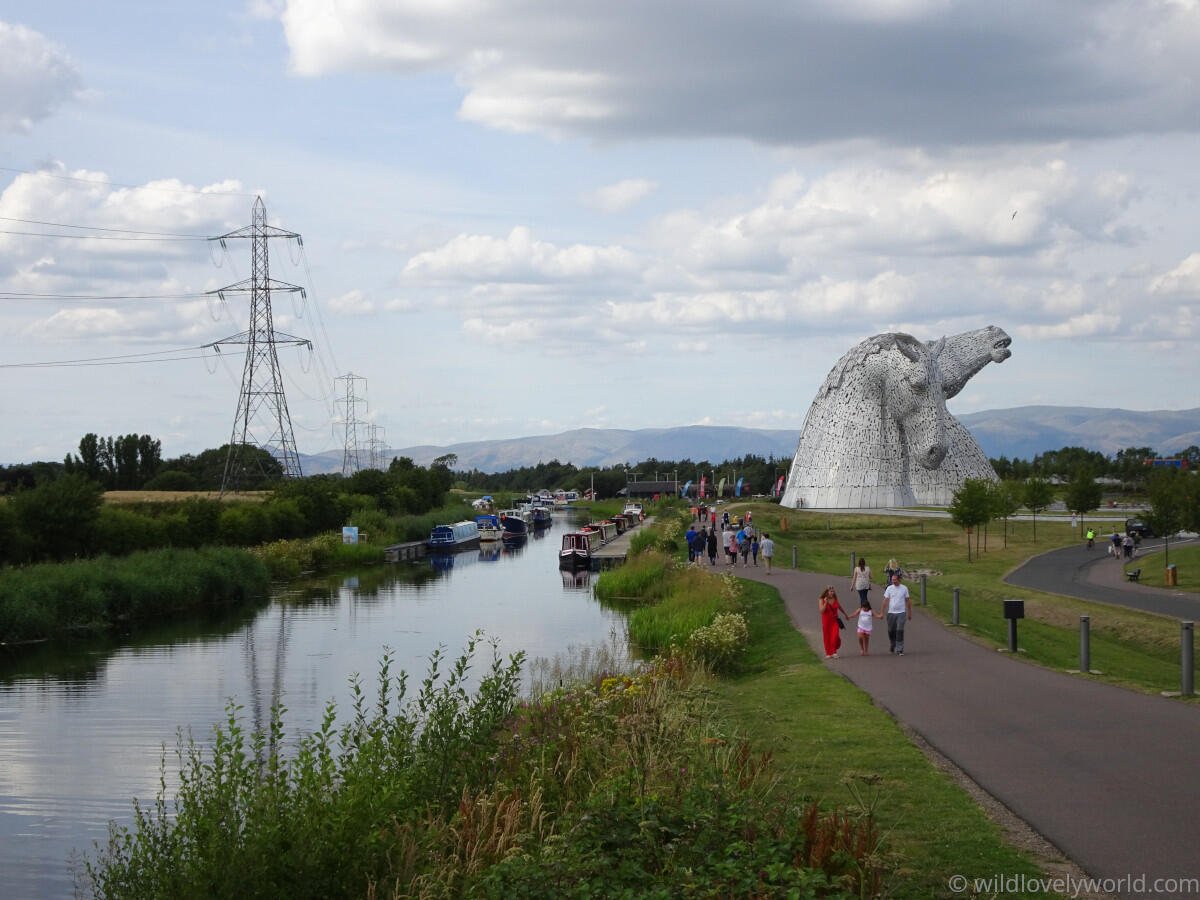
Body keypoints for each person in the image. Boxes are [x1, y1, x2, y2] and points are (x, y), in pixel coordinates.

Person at [883, 573, 912, 655]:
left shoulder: (904, 588)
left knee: (899, 630)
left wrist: (909, 613)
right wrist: (882, 612)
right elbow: (885, 600)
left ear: (899, 580)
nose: (893, 581)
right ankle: (893, 643)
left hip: (901, 613)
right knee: (891, 631)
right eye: (892, 580)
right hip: (891, 613)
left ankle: (900, 649)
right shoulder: (889, 588)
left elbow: (907, 601)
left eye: (895, 580)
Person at [819, 586, 851, 658]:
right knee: (827, 637)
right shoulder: (822, 600)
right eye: (831, 591)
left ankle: (834, 651)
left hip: (834, 621)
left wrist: (845, 614)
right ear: (827, 592)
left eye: (833, 591)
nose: (832, 593)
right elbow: (821, 611)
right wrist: (825, 603)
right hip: (826, 621)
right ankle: (828, 653)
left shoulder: (835, 599)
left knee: (835, 636)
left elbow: (839, 607)